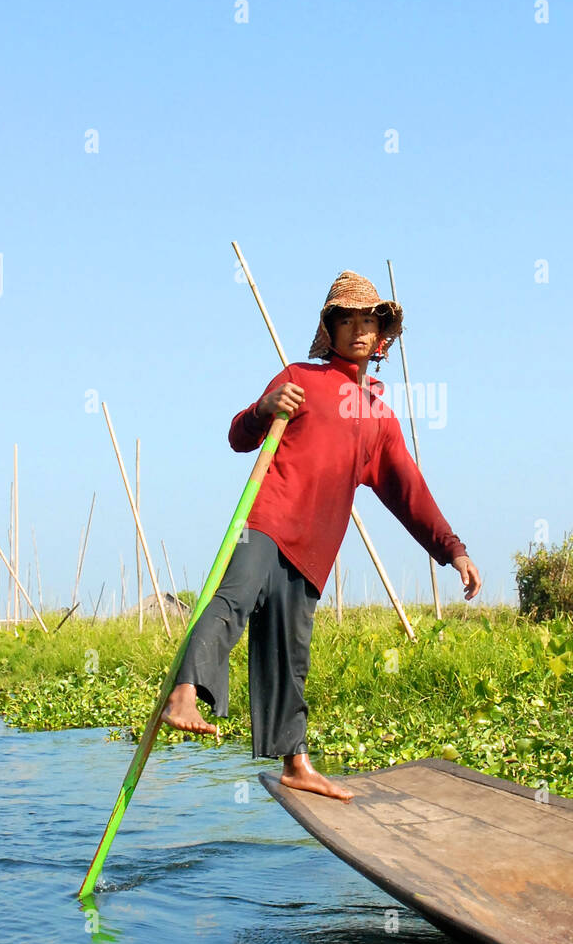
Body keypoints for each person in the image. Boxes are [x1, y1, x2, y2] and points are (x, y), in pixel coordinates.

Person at [163, 270, 481, 800]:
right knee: (233, 600)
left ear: (381, 337)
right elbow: (239, 436)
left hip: (314, 548)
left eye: (369, 321)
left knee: (292, 653)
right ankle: (185, 694)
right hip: (265, 522)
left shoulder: (379, 419)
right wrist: (264, 409)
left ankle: (296, 764)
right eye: (347, 320)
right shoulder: (299, 379)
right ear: (329, 330)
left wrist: (453, 549)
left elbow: (409, 492)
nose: (358, 330)